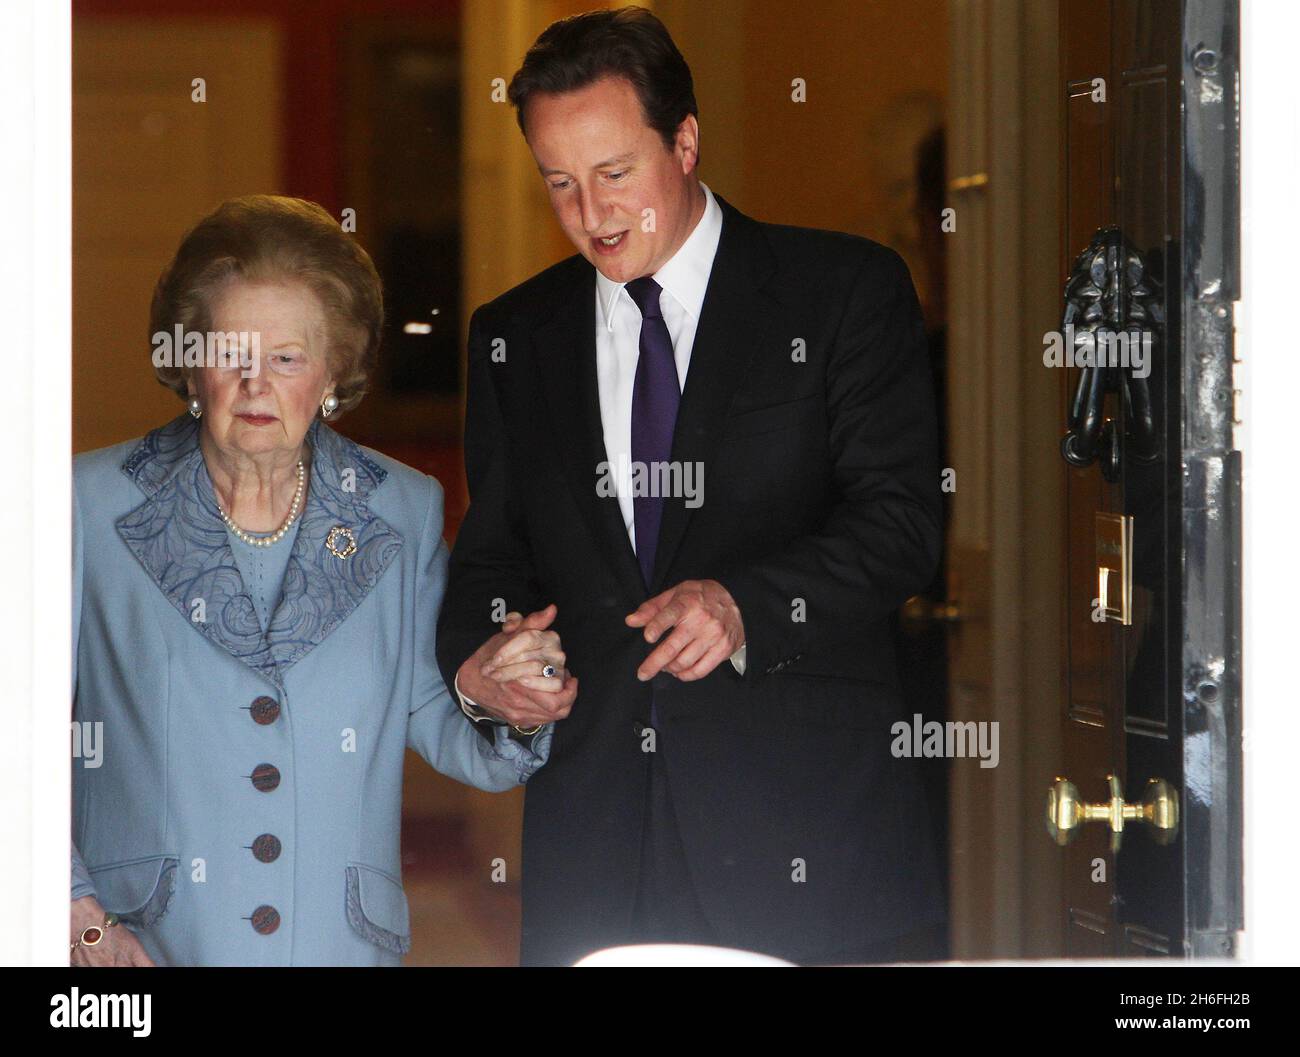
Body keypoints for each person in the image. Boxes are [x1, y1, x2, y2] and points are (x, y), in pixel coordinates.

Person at [436, 7, 946, 965]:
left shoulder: (842, 292)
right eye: (561, 184)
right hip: (594, 854)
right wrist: (479, 665)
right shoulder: (514, 335)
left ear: (686, 140)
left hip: (809, 849)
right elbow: (492, 557)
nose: (591, 214)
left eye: (616, 174)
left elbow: (902, 524)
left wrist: (744, 604)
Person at [69, 195, 558, 966]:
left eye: (288, 358)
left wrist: (511, 700)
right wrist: (79, 918)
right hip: (143, 946)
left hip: (334, 947)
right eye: (232, 354)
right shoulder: (89, 505)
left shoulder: (398, 509)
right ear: (190, 363)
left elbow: (435, 710)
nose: (256, 383)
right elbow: (14, 737)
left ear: (334, 372)